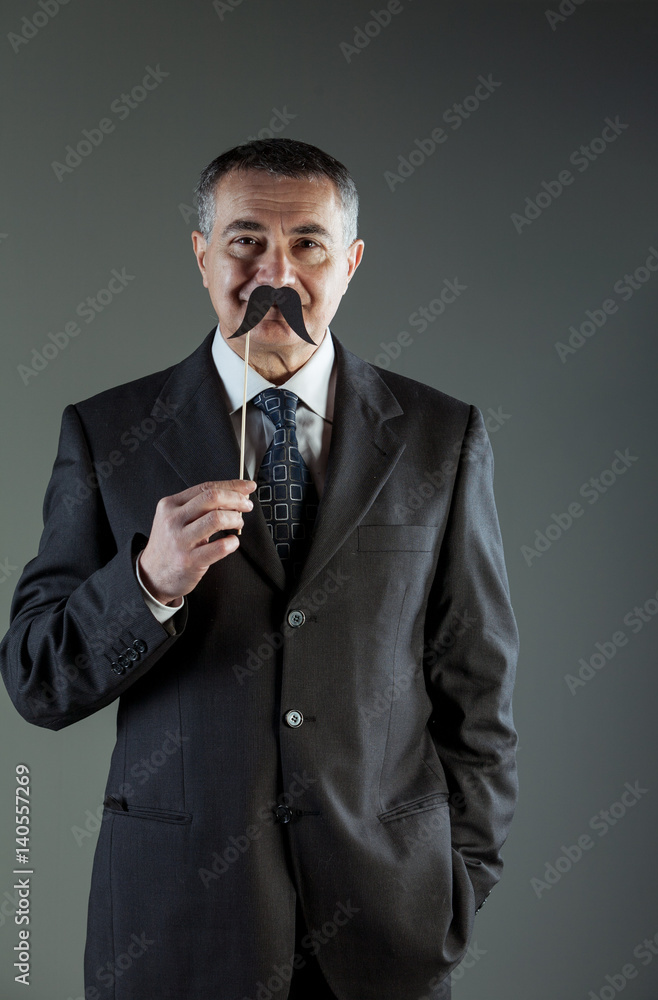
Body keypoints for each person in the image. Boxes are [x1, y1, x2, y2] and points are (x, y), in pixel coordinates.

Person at [0, 137, 519, 1000]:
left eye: (307, 244)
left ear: (348, 262)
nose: (273, 272)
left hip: (385, 926)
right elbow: (35, 680)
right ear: (201, 254)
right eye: (244, 241)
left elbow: (479, 693)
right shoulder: (106, 434)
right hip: (175, 931)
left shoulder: (440, 437)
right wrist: (146, 585)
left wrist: (452, 886)